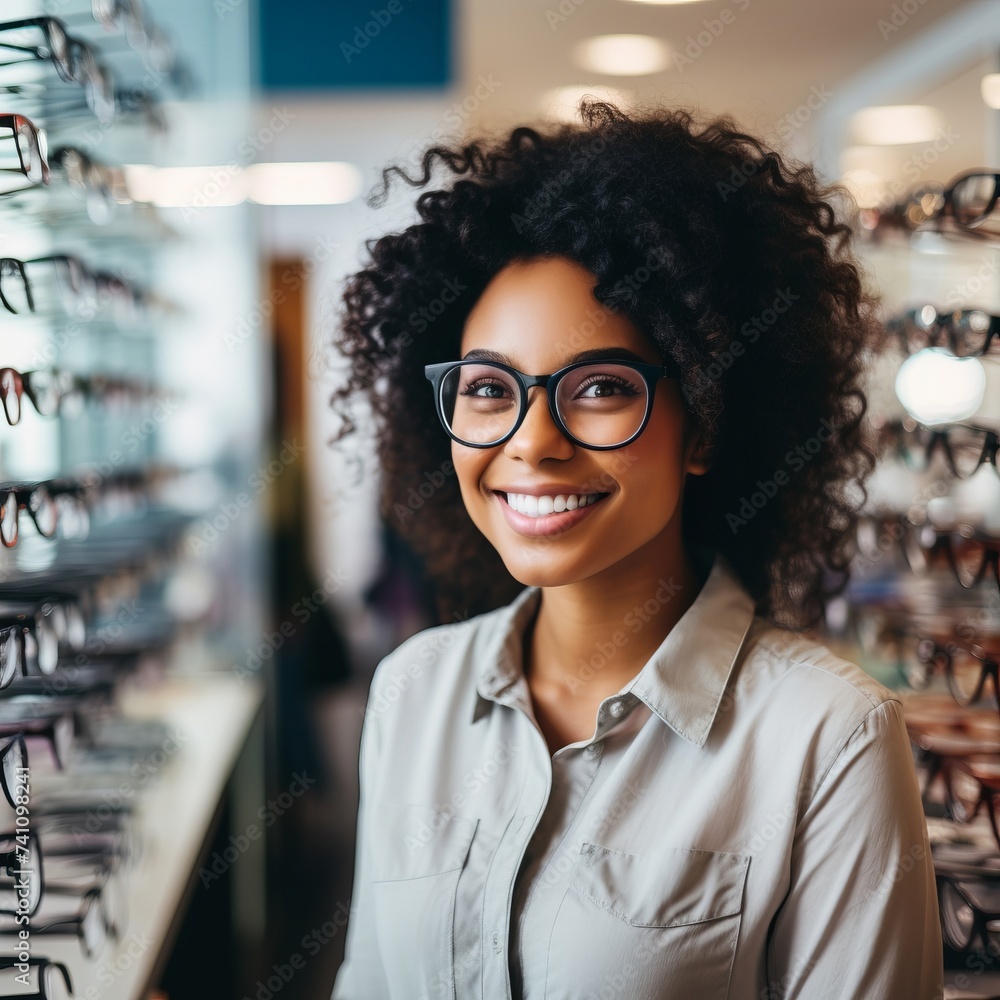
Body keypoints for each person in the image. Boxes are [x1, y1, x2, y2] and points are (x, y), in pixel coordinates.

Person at [328, 100, 943, 999]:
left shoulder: (827, 738)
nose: (531, 442)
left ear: (705, 425)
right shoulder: (412, 690)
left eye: (602, 387)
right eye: (490, 388)